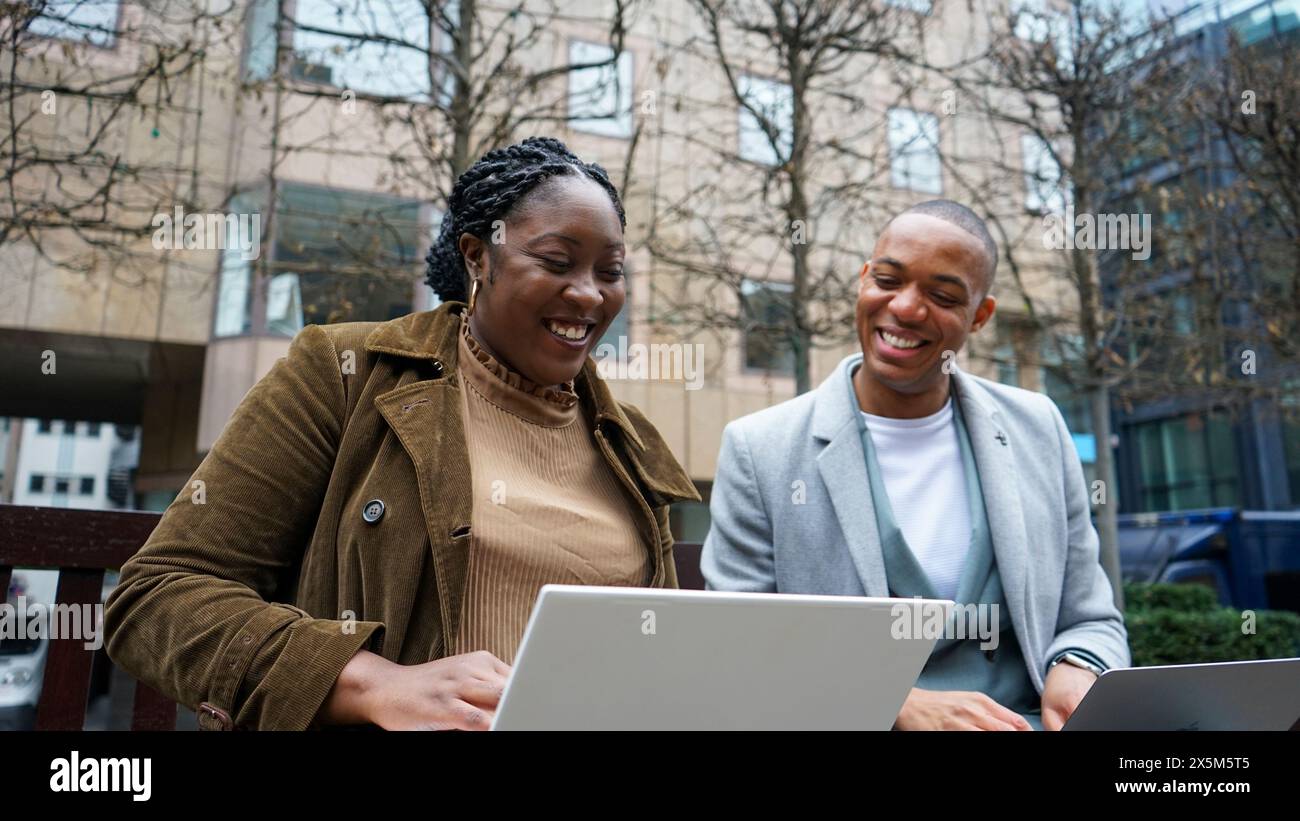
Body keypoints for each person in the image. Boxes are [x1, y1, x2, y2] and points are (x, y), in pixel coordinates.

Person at [104, 136, 698, 731]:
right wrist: (371, 684)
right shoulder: (345, 374)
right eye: (556, 261)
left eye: (611, 271)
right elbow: (158, 598)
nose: (590, 293)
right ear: (478, 257)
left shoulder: (629, 444)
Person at [701, 199, 1129, 730]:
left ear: (980, 317)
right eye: (887, 279)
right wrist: (893, 703)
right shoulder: (760, 449)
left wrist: (1078, 666)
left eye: (943, 296)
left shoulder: (1037, 427)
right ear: (862, 281)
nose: (905, 308)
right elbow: (741, 647)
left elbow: (1091, 618)